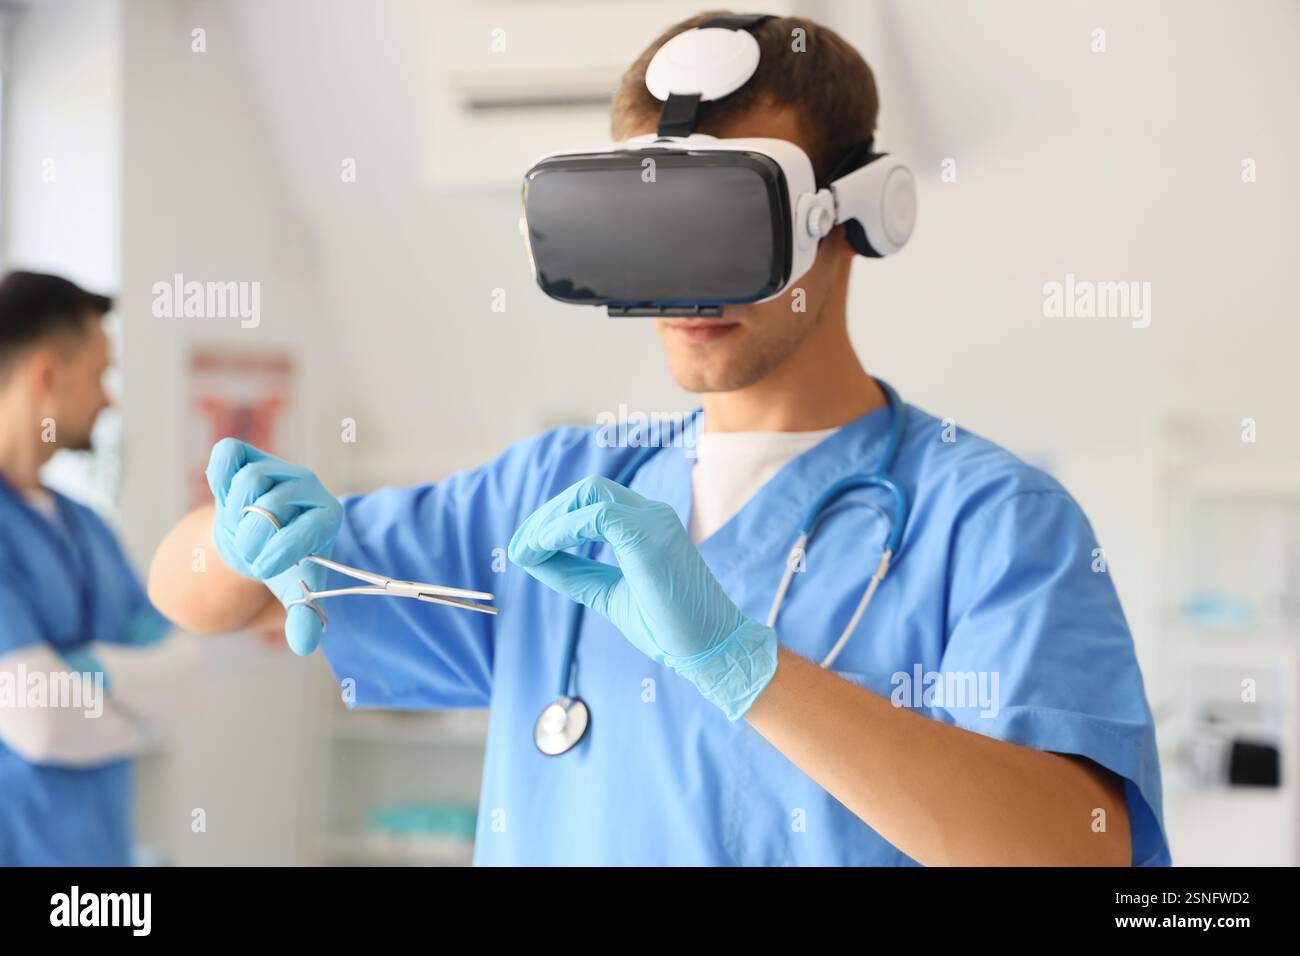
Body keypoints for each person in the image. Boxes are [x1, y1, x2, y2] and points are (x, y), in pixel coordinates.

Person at [148, 13, 1170, 866]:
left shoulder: (990, 518)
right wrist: (236, 536)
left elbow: (1077, 848)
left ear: (856, 216)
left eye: (726, 220)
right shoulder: (556, 492)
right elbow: (190, 590)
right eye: (646, 225)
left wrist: (745, 667)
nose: (684, 284)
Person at [0, 271, 195, 866]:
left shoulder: (89, 526)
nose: (109, 398)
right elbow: (40, 721)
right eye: (100, 373)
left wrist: (92, 673)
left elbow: (187, 673)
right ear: (46, 375)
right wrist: (135, 703)